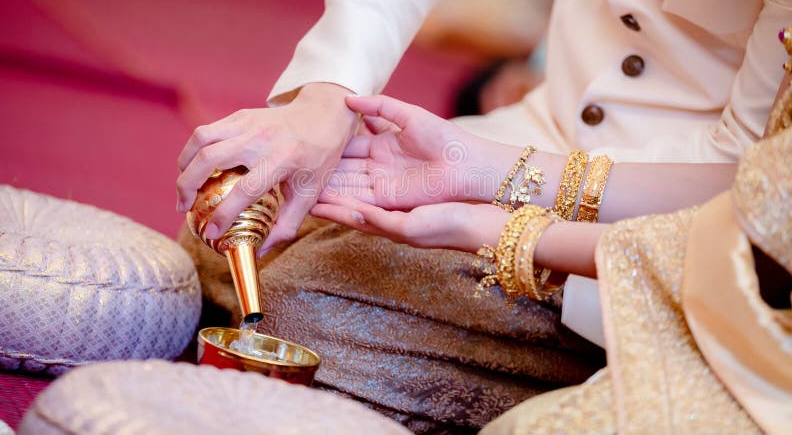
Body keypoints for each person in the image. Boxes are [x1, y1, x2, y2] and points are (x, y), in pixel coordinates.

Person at [176, 0, 792, 344]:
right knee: (227, 233)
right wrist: (326, 100)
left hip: (669, 226)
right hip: (530, 131)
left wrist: (494, 194)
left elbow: (757, 186)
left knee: (307, 306)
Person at [308, 31, 792, 434]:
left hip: (743, 328)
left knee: (308, 313)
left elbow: (749, 228)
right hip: (605, 188)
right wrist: (481, 170)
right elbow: (755, 194)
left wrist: (505, 230)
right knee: (287, 242)